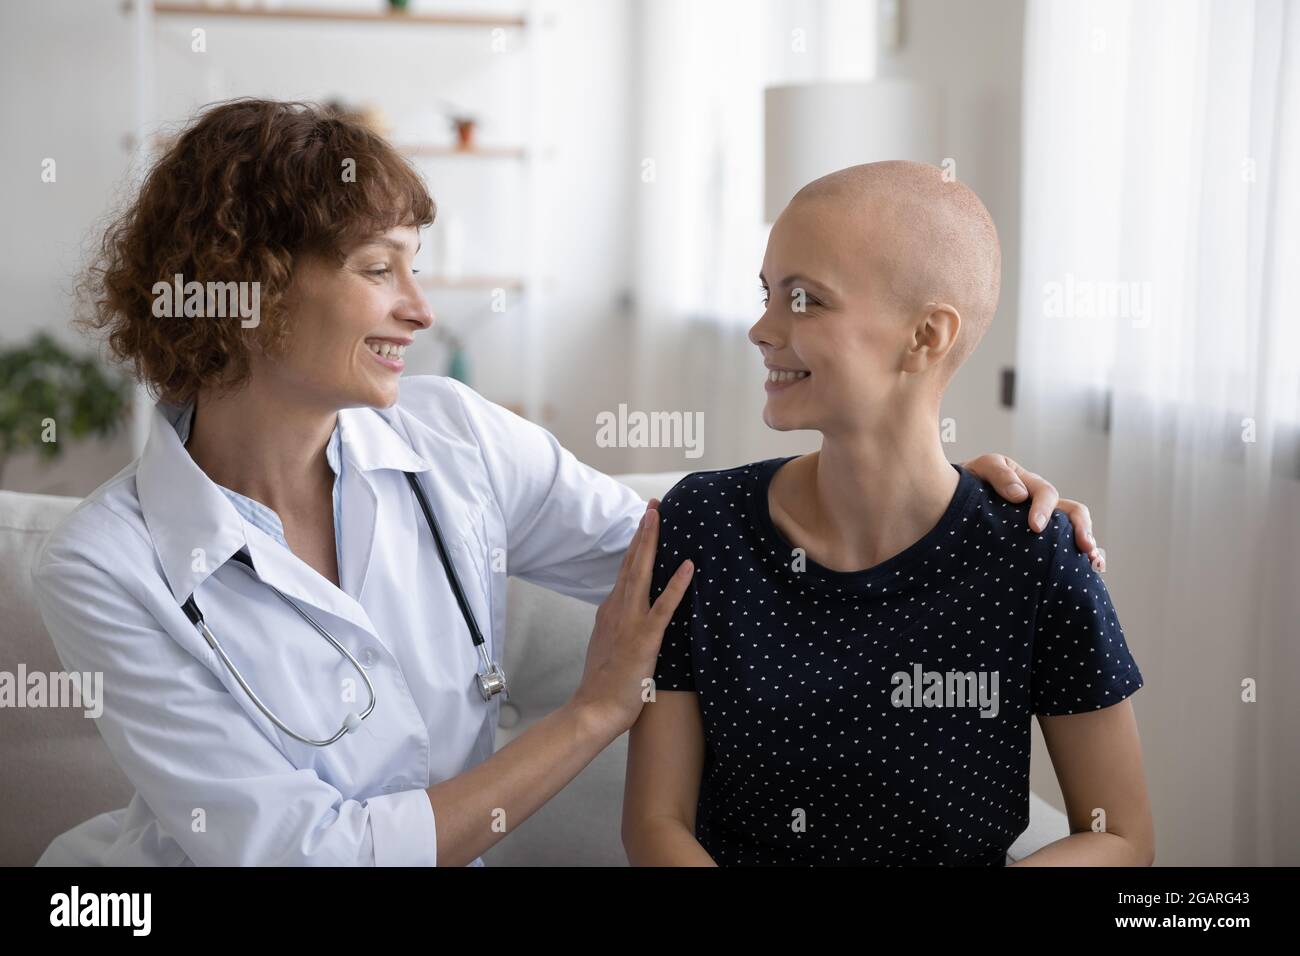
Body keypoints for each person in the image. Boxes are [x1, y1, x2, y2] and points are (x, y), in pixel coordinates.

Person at [35, 100, 1103, 866]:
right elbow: (300, 854)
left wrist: (930, 501)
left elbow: (706, 548)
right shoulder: (106, 561)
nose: (419, 307)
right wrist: (592, 713)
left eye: (417, 264)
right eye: (378, 269)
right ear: (254, 288)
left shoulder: (450, 436)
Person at [623, 161, 1153, 867]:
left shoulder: (1034, 554)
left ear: (926, 337)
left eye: (804, 300)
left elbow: (1123, 836)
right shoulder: (704, 526)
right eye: (767, 294)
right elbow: (656, 823)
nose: (761, 327)